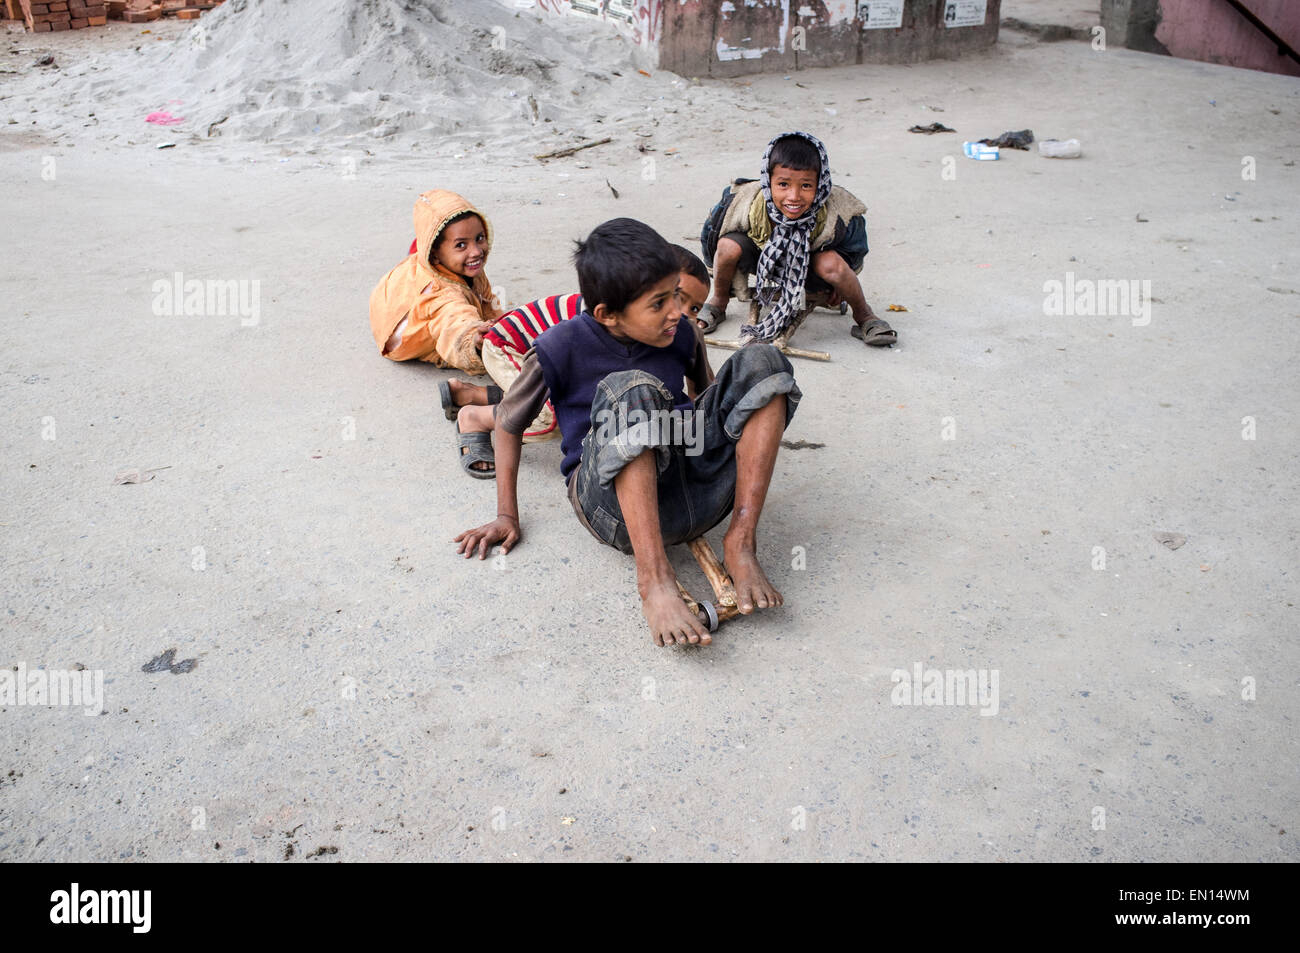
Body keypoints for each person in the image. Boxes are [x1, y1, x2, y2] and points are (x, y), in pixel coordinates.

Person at [453, 220, 800, 648]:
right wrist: (507, 515)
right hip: (612, 506)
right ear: (607, 315)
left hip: (693, 489)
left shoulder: (682, 332)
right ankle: (655, 580)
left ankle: (742, 541)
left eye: (676, 293)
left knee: (763, 361)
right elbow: (508, 422)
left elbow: (707, 400)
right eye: (659, 303)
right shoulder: (558, 346)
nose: (677, 310)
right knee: (631, 389)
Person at [442, 245, 713, 478]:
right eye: (676, 296)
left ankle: (482, 393)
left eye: (695, 308)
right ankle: (474, 416)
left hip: (537, 346)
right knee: (550, 416)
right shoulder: (611, 320)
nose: (682, 314)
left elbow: (700, 392)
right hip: (509, 341)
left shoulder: (662, 327)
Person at [697, 130, 897, 346]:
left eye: (806, 185)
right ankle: (718, 302)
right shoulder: (744, 202)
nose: (794, 196)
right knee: (727, 245)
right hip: (762, 260)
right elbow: (712, 234)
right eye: (783, 184)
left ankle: (865, 316)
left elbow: (854, 248)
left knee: (831, 263)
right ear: (768, 181)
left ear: (820, 184)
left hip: (810, 268)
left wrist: (839, 285)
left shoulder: (836, 211)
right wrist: (717, 270)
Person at [368, 189, 501, 374]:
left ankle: (428, 245)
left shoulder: (465, 264)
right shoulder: (442, 296)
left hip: (398, 289)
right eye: (461, 244)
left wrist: (499, 320)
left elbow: (486, 299)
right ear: (435, 254)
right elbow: (454, 322)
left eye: (480, 238)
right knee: (450, 343)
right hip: (403, 337)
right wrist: (473, 339)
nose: (476, 251)